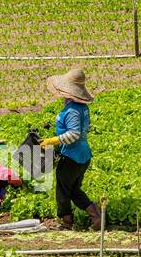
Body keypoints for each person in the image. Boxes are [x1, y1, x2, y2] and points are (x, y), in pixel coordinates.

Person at [41, 68, 101, 230]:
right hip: (83, 155)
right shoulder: (82, 108)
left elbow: (74, 134)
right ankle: (96, 216)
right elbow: (86, 127)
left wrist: (52, 140)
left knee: (63, 191)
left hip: (72, 157)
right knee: (74, 189)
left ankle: (66, 222)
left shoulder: (73, 110)